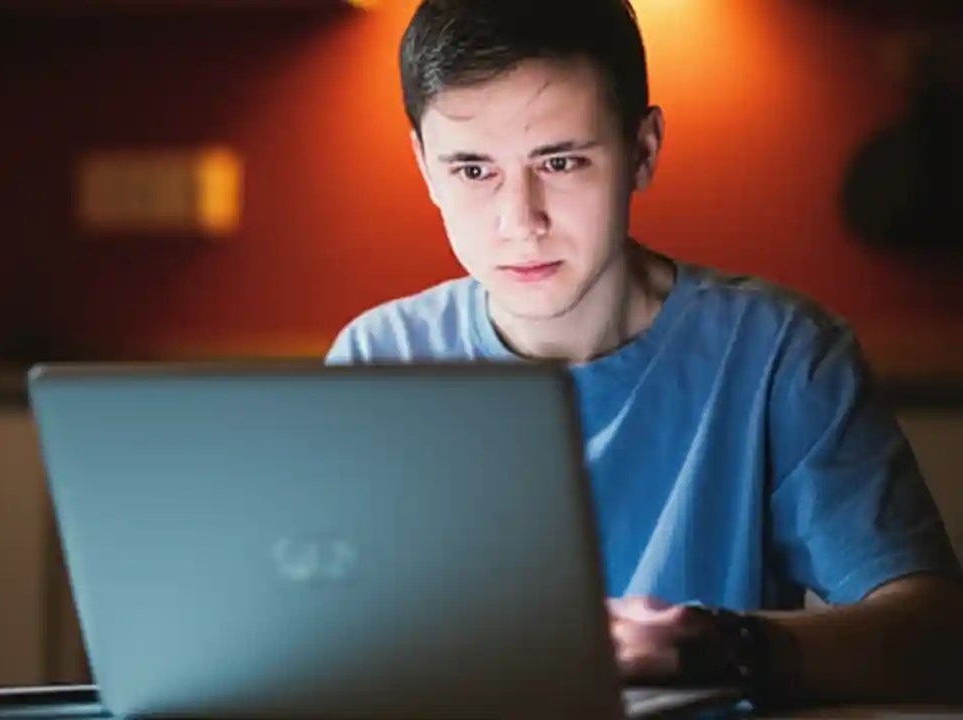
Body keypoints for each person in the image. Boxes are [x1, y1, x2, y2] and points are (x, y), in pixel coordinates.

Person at [324, 0, 963, 710]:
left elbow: (938, 639)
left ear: (643, 150)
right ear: (425, 168)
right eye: (473, 170)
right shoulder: (378, 359)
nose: (519, 222)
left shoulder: (778, 355)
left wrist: (734, 647)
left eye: (560, 161)